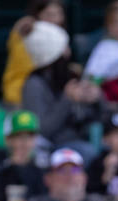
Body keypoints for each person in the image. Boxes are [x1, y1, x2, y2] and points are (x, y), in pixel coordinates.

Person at [22, 21, 106, 165]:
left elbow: (98, 118)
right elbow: (42, 130)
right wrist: (67, 100)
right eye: (63, 49)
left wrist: (96, 98)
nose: (69, 52)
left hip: (84, 139)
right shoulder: (33, 84)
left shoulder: (70, 74)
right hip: (54, 147)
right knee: (88, 152)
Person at [2, 0, 67, 107]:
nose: (55, 19)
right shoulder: (28, 32)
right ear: (38, 15)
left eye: (59, 14)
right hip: (19, 97)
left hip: (49, 96)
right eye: (49, 15)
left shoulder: (58, 37)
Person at [0, 110, 47, 201]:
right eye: (19, 136)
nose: (25, 142)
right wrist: (15, 167)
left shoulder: (42, 167)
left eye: (29, 136)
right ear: (8, 140)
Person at [26, 148, 99, 201]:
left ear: (84, 178)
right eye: (62, 170)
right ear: (48, 179)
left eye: (75, 170)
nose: (70, 175)